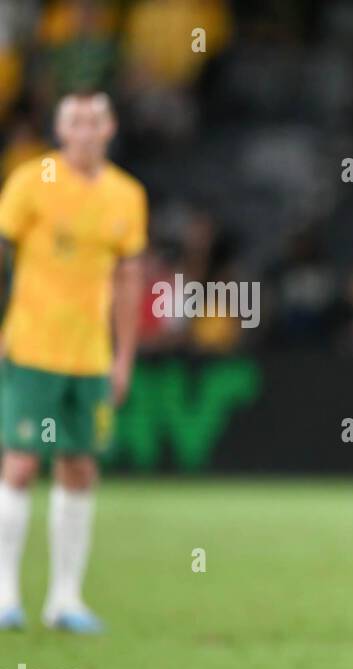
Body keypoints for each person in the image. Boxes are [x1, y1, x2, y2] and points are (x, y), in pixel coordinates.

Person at [0, 91, 147, 634]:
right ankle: (5, 593)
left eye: (94, 120)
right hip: (31, 347)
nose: (85, 130)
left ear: (109, 128)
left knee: (80, 466)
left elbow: (129, 280)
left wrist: (123, 355)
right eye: (75, 121)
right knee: (19, 462)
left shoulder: (127, 195)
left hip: (89, 357)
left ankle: (65, 599)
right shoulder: (29, 181)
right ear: (61, 130)